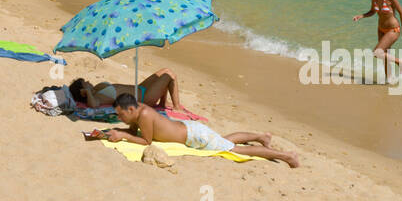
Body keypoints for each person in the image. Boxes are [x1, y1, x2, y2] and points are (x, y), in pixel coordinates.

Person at [94, 94, 299, 167]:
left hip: (195, 137)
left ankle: (286, 156)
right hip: (193, 130)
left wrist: (121, 135)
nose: (119, 118)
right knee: (223, 140)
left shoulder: (145, 116)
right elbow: (133, 131)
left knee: (234, 149)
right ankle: (261, 136)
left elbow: (146, 141)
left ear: (131, 109)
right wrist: (117, 130)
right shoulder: (138, 111)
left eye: (121, 115)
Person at [353, 0, 402, 78]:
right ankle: (389, 79)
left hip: (393, 29)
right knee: (384, 55)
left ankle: (400, 62)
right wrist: (361, 16)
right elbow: (372, 11)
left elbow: (401, 13)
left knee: (377, 52)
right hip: (381, 29)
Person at [69, 70, 181, 111]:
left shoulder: (96, 88)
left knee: (164, 71)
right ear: (83, 91)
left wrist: (89, 91)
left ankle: (162, 103)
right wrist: (88, 93)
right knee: (170, 75)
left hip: (140, 88)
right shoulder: (97, 96)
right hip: (144, 98)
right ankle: (177, 107)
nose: (88, 81)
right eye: (85, 83)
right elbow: (93, 105)